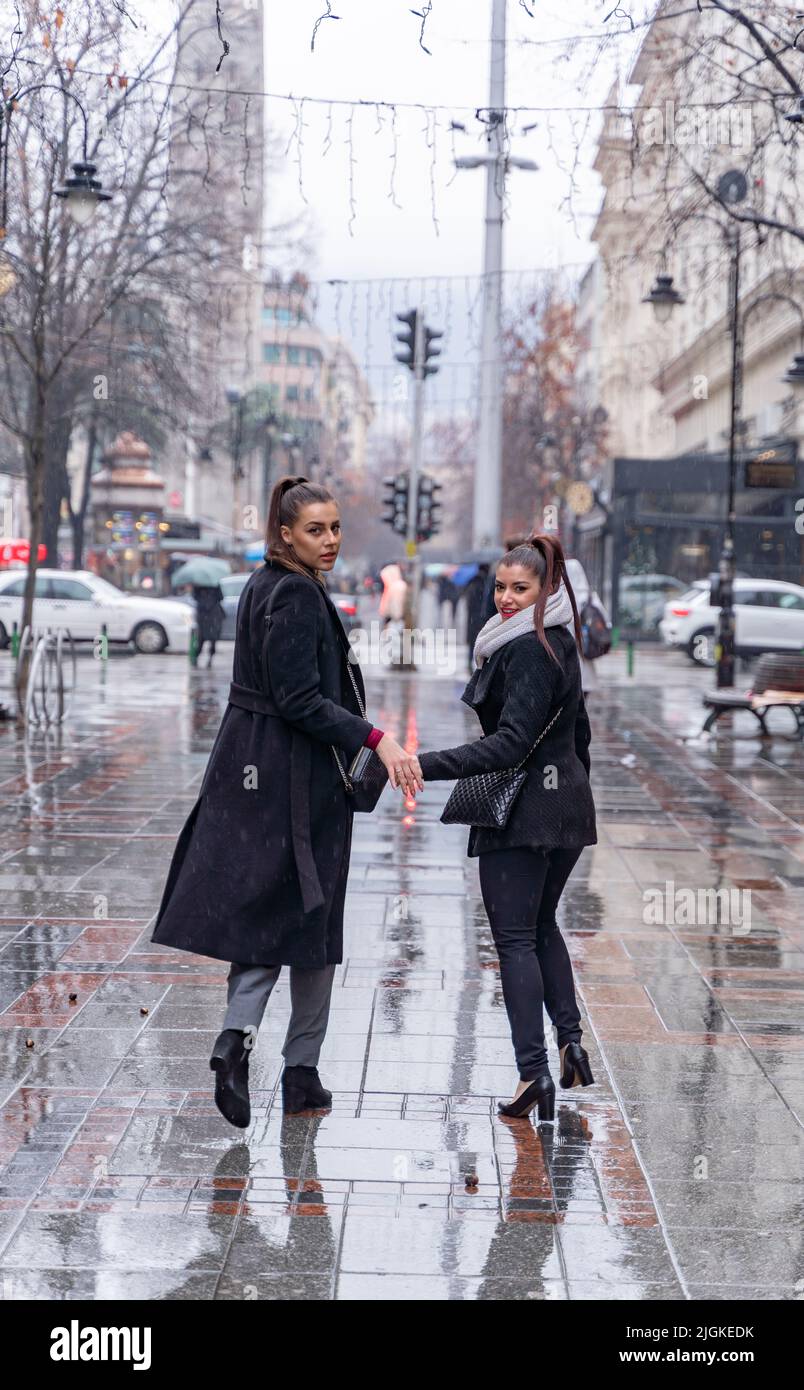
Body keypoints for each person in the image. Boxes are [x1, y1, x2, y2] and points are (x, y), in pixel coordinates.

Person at [151, 475, 421, 1128]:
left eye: (334, 529)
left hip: (250, 765)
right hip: (297, 779)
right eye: (315, 530)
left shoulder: (260, 587)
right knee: (312, 921)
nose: (329, 541)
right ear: (284, 535)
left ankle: (237, 1040)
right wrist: (378, 739)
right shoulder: (297, 595)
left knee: (267, 914)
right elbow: (301, 702)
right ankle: (300, 1071)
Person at [417, 534, 597, 1124]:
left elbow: (512, 743)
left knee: (515, 939)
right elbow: (581, 734)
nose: (506, 599)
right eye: (500, 587)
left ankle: (532, 1074)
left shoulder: (524, 649)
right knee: (542, 925)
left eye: (521, 588)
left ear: (548, 591)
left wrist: (425, 764)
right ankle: (569, 1042)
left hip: (525, 813)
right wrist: (571, 795)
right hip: (566, 807)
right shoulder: (564, 643)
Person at [191, 582, 224, 667]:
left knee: (202, 639)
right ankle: (207, 658)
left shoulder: (199, 584)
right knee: (210, 639)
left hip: (206, 615)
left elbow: (195, 597)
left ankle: (198, 658)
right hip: (212, 614)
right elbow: (221, 597)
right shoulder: (214, 583)